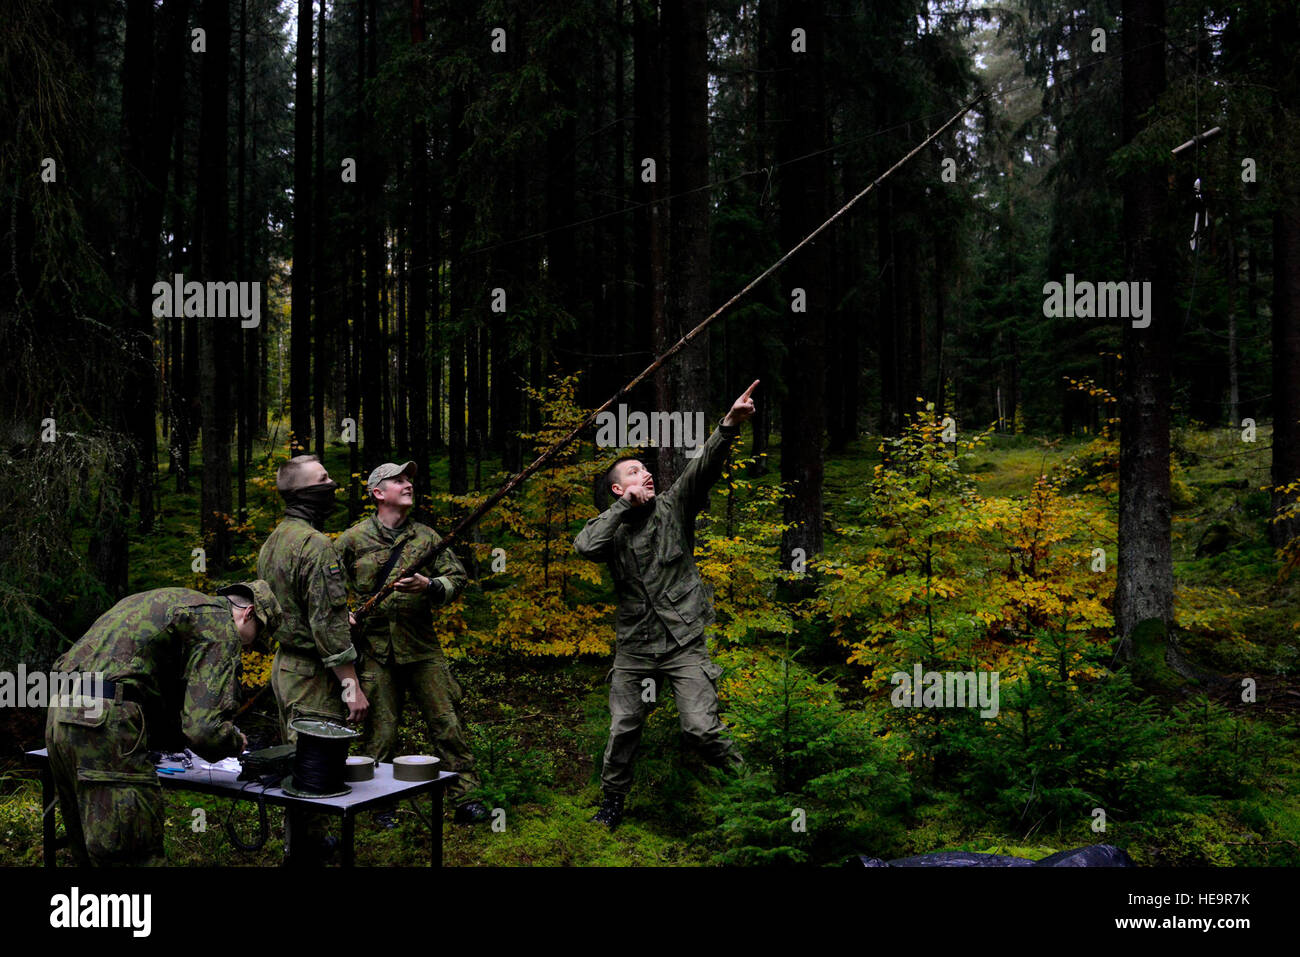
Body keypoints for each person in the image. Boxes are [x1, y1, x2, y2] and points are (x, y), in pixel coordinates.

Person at [575, 381, 759, 827]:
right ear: (619, 490)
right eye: (636, 472)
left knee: (700, 727)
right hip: (635, 646)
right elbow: (585, 547)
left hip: (684, 643)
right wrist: (621, 511)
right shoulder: (610, 526)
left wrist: (729, 424)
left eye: (646, 470)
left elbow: (703, 467)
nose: (647, 475)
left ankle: (754, 793)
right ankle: (612, 802)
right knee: (624, 729)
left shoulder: (674, 506)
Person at [45, 581, 281, 865]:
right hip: (105, 722)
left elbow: (143, 680)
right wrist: (233, 742)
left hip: (61, 711)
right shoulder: (220, 626)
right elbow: (204, 730)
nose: (250, 645)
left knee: (87, 850)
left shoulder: (170, 602)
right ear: (249, 613)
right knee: (132, 854)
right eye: (256, 636)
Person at [336, 462, 488, 824]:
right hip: (375, 652)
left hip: (421, 647)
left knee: (447, 723)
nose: (407, 485)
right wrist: (343, 615)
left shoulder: (427, 538)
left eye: (409, 480)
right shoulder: (352, 540)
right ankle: (378, 805)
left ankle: (466, 797)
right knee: (381, 733)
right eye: (398, 481)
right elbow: (329, 591)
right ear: (377, 493)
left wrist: (431, 586)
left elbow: (456, 577)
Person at [258, 454, 368, 863]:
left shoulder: (275, 540)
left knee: (297, 757)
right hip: (311, 671)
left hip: (285, 666)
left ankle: (304, 844)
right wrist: (350, 683)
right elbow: (327, 627)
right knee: (314, 766)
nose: (333, 483)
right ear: (305, 491)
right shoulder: (316, 545)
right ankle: (306, 852)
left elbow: (291, 607)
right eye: (324, 479)